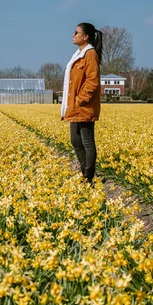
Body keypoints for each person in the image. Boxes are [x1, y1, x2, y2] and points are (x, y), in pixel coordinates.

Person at [61, 22, 102, 185]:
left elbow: (93, 80)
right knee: (75, 141)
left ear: (85, 37)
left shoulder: (90, 54)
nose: (73, 35)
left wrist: (80, 99)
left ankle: (89, 176)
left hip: (84, 106)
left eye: (76, 32)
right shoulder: (78, 54)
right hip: (75, 106)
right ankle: (85, 172)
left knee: (87, 141)